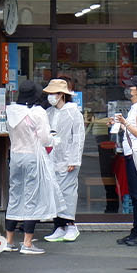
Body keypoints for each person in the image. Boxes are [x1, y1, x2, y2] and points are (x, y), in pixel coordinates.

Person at [2, 81, 61, 253]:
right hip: (32, 157)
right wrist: (54, 139)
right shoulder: (37, 112)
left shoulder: (11, 111)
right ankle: (27, 242)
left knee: (15, 196)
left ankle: (9, 240)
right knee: (31, 198)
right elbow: (44, 139)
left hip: (15, 156)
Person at [107, 76, 137, 246]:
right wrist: (119, 124)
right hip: (131, 154)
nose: (128, 90)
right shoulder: (136, 107)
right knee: (136, 195)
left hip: (136, 155)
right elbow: (134, 130)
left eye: (131, 87)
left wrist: (124, 122)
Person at [41, 77, 85, 242]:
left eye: (54, 93)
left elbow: (78, 138)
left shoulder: (74, 113)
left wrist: (74, 160)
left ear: (61, 94)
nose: (51, 96)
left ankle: (71, 225)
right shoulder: (49, 112)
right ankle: (59, 226)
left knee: (68, 192)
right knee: (55, 193)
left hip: (68, 159)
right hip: (52, 158)